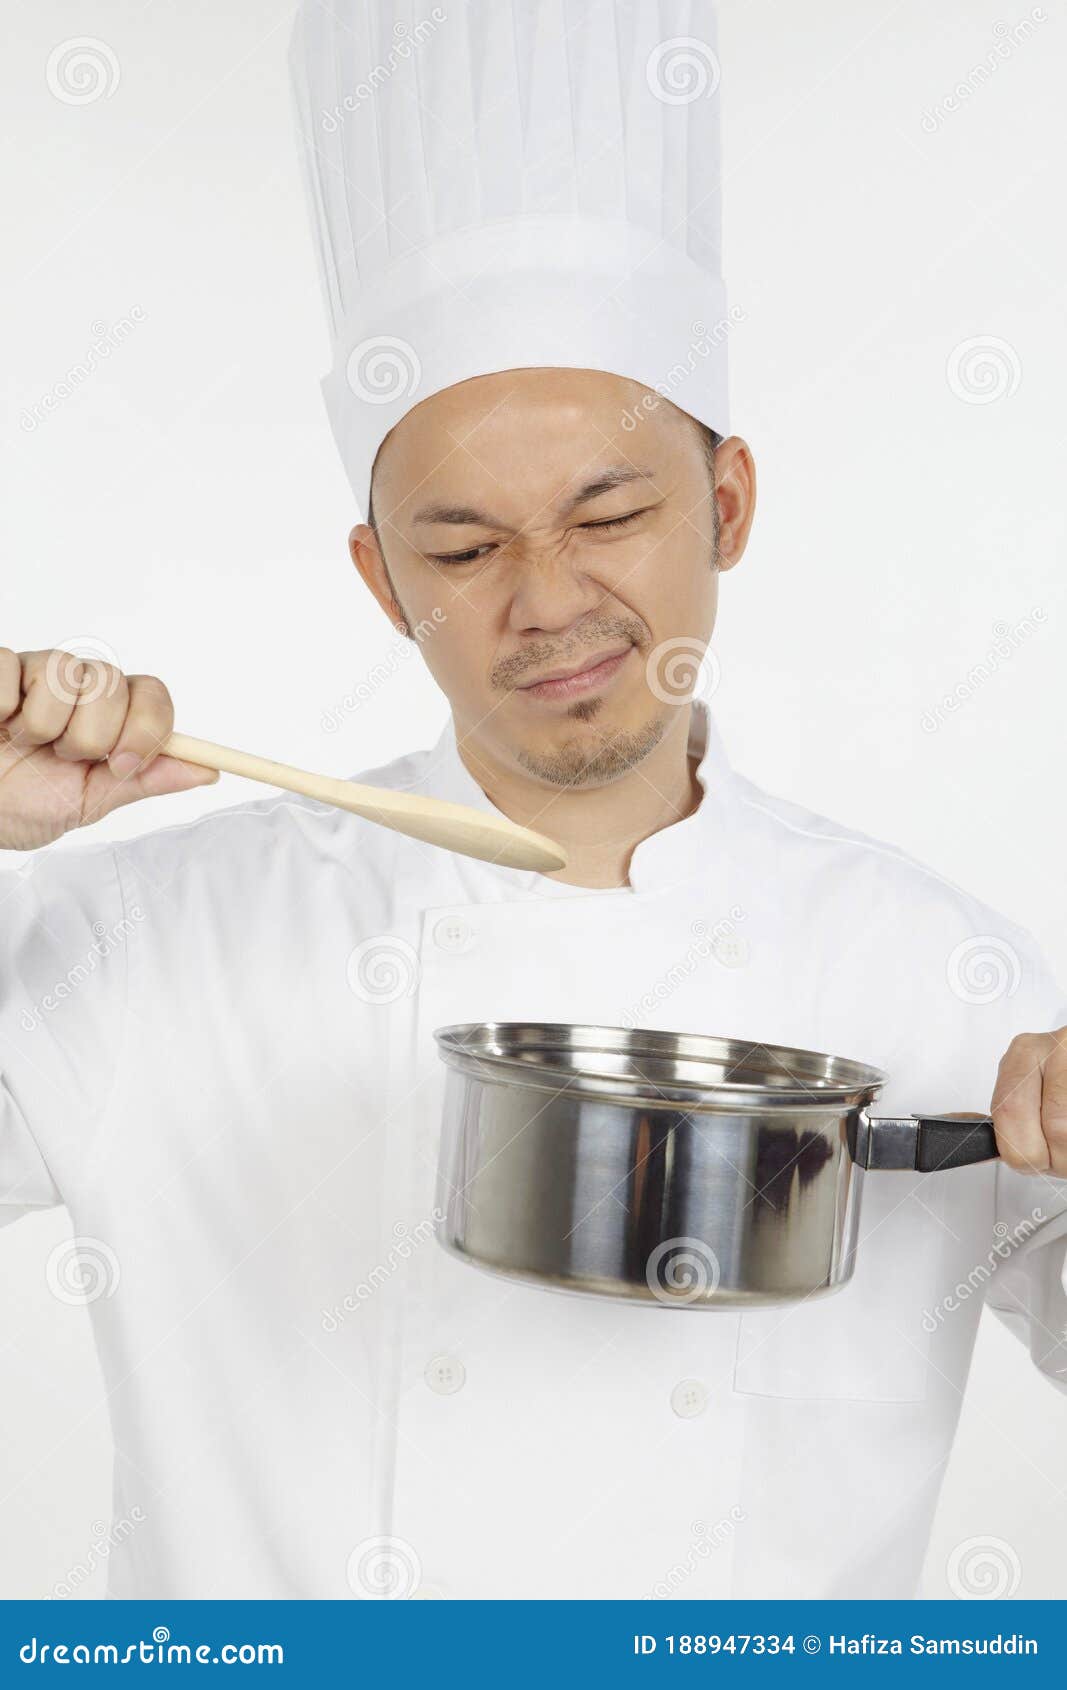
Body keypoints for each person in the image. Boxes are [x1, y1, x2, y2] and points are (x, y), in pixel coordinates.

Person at [2, 0, 1065, 1602]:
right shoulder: (157, 945)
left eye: (611, 510)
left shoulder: (943, 980)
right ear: (380, 582)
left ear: (727, 503)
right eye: (461, 546)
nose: (547, 600)